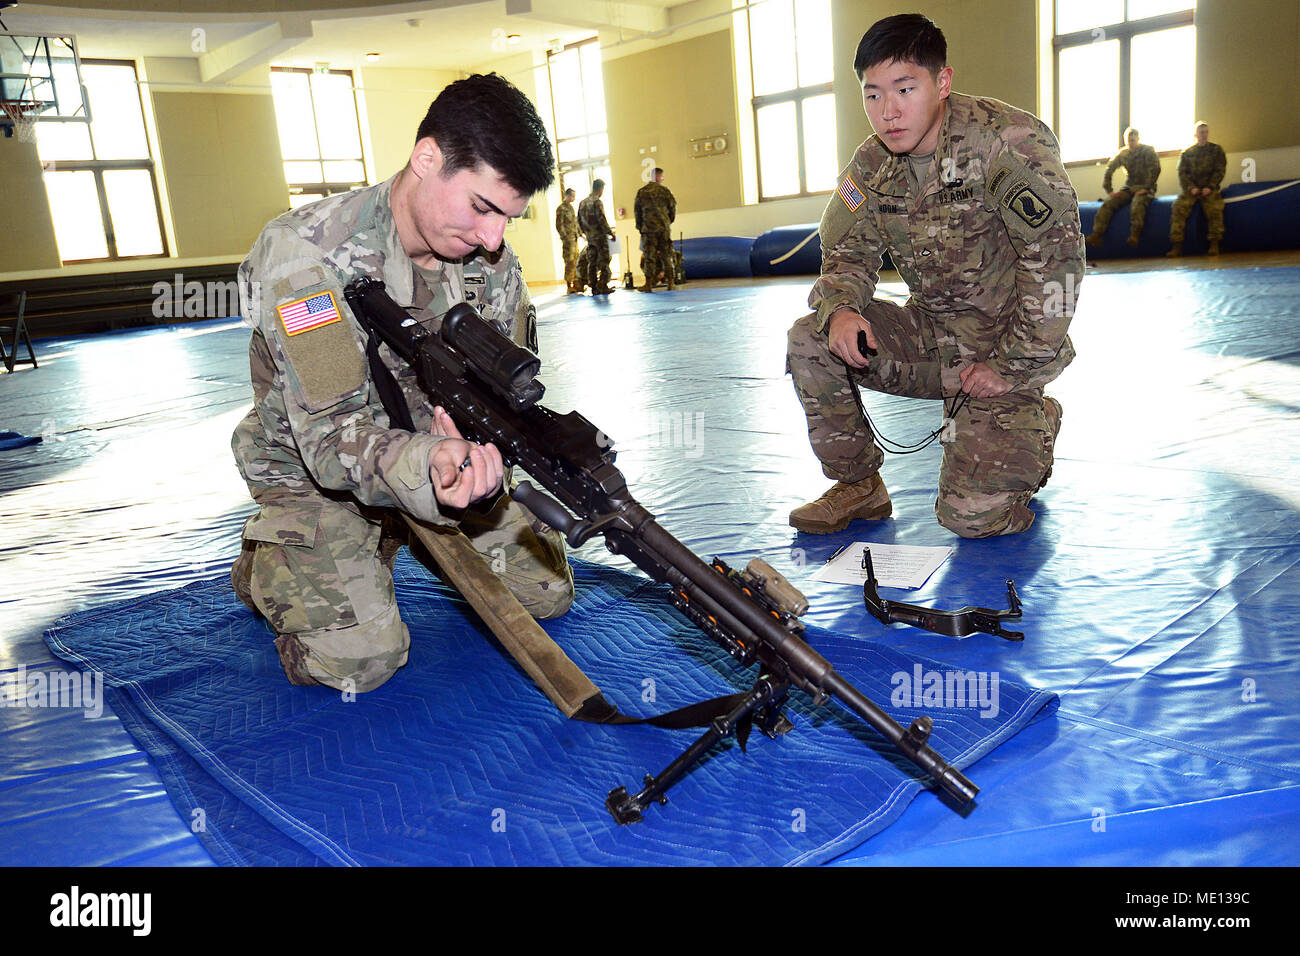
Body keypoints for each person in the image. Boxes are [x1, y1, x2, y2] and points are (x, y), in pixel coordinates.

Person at [229, 73, 574, 693]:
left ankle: (391, 534)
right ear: (427, 158)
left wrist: (480, 452)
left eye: (509, 218)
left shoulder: (489, 260)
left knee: (545, 594)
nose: (493, 238)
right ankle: (270, 561)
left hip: (439, 461)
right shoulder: (306, 257)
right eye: (482, 207)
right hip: (319, 474)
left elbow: (504, 386)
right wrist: (427, 464)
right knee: (363, 663)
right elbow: (330, 439)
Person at [786, 13, 1082, 539]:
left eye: (905, 89)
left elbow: (1057, 265)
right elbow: (846, 252)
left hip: (1001, 349)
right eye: (873, 94)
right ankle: (858, 485)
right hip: (929, 336)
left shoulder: (1005, 144)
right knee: (811, 338)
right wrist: (842, 307)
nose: (888, 111)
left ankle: (1037, 423)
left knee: (973, 519)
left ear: (942, 82)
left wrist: (1011, 368)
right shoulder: (870, 166)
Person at [1087, 127, 1160, 247]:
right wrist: (1109, 190)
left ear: (1138, 139)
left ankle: (1135, 234)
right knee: (1108, 203)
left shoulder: (1148, 151)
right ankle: (1097, 235)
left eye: (1133, 140)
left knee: (1137, 204)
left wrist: (1146, 188)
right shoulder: (1123, 153)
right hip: (1129, 187)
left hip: (1145, 186)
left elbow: (1155, 170)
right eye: (1128, 141)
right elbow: (1109, 169)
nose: (1130, 143)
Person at [1167, 122, 1226, 257]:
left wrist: (1210, 187)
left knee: (1215, 209)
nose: (1204, 135)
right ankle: (1177, 245)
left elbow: (1220, 170)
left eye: (1206, 132)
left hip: (1209, 189)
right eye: (1201, 132)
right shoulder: (1187, 153)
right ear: (1195, 135)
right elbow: (1182, 174)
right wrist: (1191, 188)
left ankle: (1214, 243)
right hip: (1191, 190)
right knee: (1178, 208)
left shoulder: (1216, 150)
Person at [634, 167, 677, 291]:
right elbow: (672, 209)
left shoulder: (642, 192)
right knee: (666, 255)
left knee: (649, 257)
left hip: (648, 229)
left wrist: (640, 227)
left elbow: (637, 212)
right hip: (663, 229)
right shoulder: (665, 191)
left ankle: (648, 284)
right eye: (662, 177)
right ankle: (671, 283)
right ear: (658, 176)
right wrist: (667, 222)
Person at [577, 179, 616, 295]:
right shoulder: (597, 202)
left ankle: (593, 287)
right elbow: (601, 220)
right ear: (600, 189)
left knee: (592, 262)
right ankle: (603, 285)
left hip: (590, 238)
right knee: (604, 261)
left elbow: (579, 221)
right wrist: (610, 233)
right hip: (600, 237)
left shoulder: (582, 203)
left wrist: (586, 233)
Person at [555, 187, 583, 292]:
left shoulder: (571, 208)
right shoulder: (561, 209)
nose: (573, 198)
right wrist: (565, 237)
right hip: (568, 240)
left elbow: (575, 222)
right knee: (569, 261)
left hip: (574, 238)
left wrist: (580, 233)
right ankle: (569, 285)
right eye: (572, 196)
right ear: (567, 195)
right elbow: (559, 225)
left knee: (576, 260)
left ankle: (576, 283)